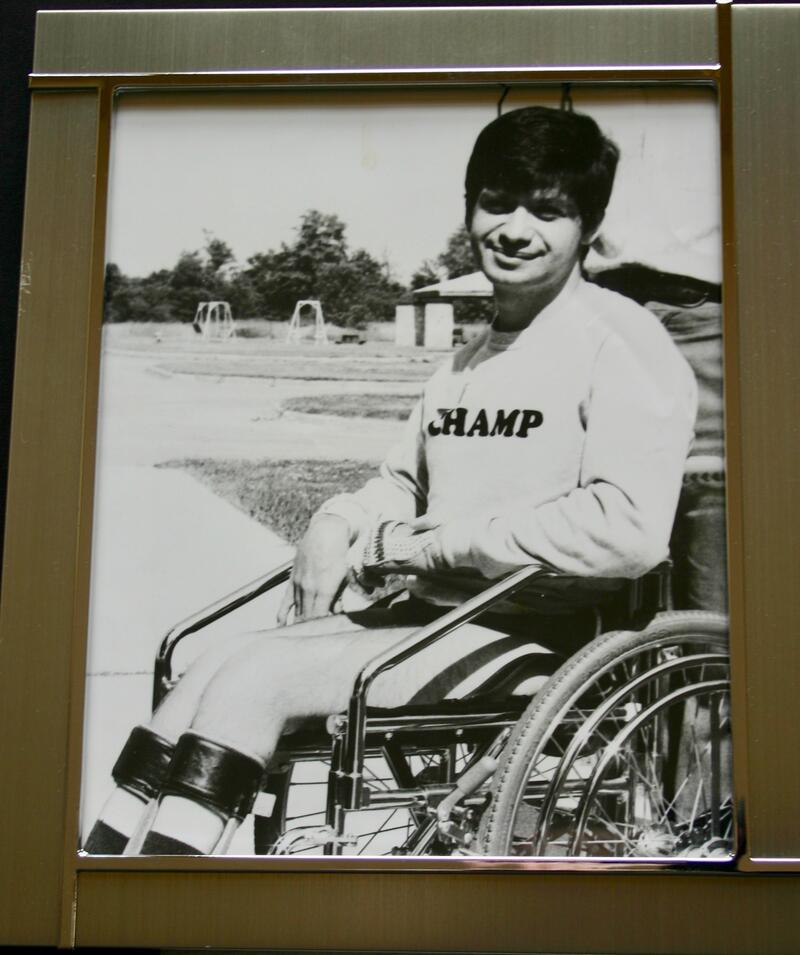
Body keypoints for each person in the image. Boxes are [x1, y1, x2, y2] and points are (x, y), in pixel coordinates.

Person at [83, 105, 697, 856]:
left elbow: (625, 528)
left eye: (549, 211)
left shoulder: (623, 342)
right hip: (435, 619)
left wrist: (438, 547)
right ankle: (104, 881)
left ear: (589, 226)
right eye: (496, 203)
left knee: (257, 682)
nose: (514, 229)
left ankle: (154, 902)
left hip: (542, 636)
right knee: (207, 662)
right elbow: (400, 482)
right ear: (469, 209)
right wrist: (337, 521)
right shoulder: (467, 361)